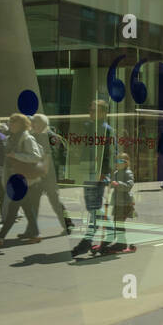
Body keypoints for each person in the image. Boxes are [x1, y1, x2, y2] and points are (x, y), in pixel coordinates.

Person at [0, 113, 46, 247]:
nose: (10, 124)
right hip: (15, 178)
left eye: (13, 122)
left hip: (24, 179)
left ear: (21, 124)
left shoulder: (27, 138)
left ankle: (0, 238)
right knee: (26, 208)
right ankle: (36, 234)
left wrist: (16, 155)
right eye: (10, 121)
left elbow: (35, 157)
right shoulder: (11, 138)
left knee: (13, 209)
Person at [71, 100, 117, 256]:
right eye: (90, 110)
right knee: (92, 207)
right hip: (88, 171)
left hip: (98, 174)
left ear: (103, 113)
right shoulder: (89, 127)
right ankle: (109, 231)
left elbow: (110, 153)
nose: (90, 113)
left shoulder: (106, 130)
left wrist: (105, 174)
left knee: (94, 207)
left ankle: (88, 240)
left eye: (94, 111)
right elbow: (85, 150)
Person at [30, 113, 74, 236]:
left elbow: (53, 157)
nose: (33, 125)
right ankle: (31, 229)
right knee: (33, 202)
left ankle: (68, 223)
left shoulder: (51, 137)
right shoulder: (33, 135)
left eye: (35, 122)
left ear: (43, 124)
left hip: (49, 176)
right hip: (37, 175)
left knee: (55, 201)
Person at [101, 152, 137, 255]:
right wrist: (109, 182)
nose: (118, 163)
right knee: (117, 223)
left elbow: (129, 185)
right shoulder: (116, 173)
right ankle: (120, 242)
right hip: (117, 203)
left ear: (126, 163)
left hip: (125, 203)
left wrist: (118, 184)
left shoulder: (128, 173)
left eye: (120, 161)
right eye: (116, 161)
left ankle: (122, 244)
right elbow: (112, 183)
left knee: (119, 223)